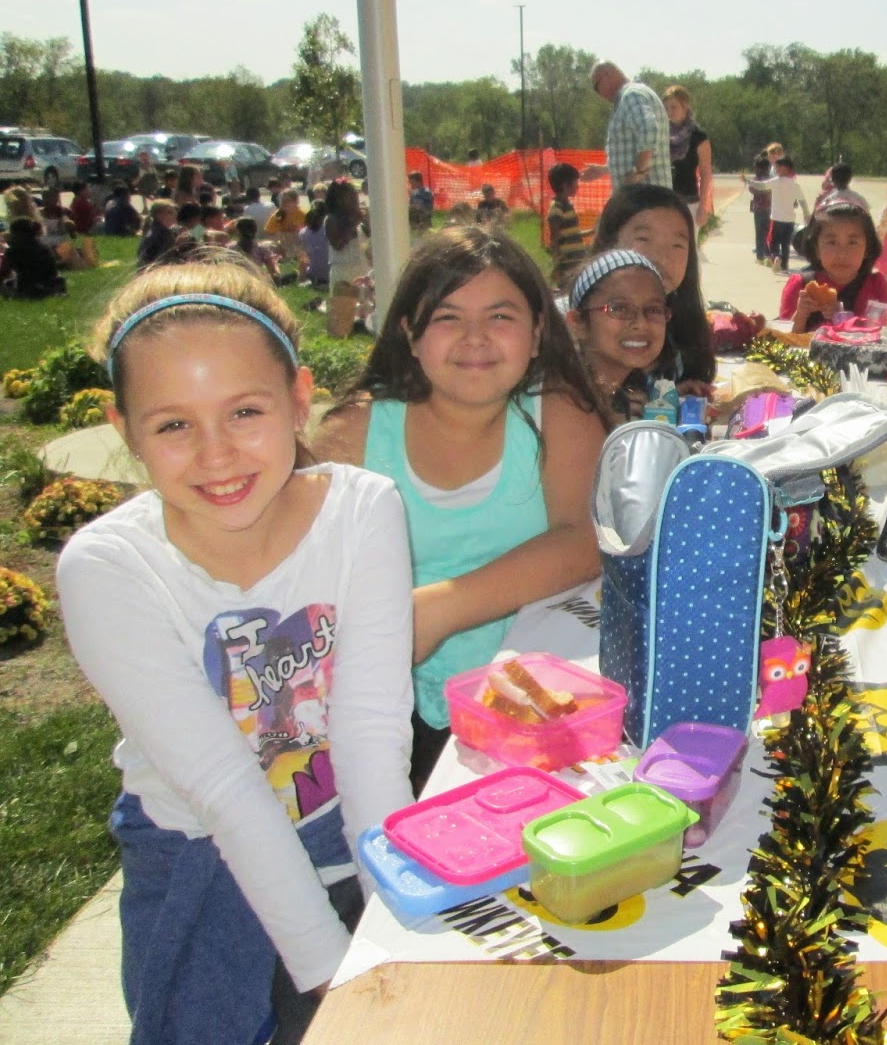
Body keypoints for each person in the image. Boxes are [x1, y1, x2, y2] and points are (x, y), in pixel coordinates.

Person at [57, 255, 415, 1045]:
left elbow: (367, 732)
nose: (216, 456)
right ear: (127, 432)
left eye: (245, 412)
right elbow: (224, 788)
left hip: (342, 827)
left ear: (297, 400)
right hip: (195, 857)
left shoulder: (363, 512)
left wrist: (395, 910)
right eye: (174, 424)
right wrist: (333, 974)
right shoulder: (108, 569)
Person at [313, 226, 608, 788]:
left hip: (538, 702)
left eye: (501, 317)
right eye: (447, 317)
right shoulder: (355, 433)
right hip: (386, 711)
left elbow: (583, 540)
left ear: (538, 332)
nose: (475, 338)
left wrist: (437, 611)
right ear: (410, 333)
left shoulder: (558, 415)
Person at [590, 185, 715, 394]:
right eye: (644, 240)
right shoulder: (581, 324)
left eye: (677, 245)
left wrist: (667, 398)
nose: (661, 258)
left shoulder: (680, 326)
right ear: (608, 245)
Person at [565, 249, 669, 424]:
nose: (640, 324)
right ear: (578, 322)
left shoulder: (622, 396)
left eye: (653, 310)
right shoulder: (564, 404)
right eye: (619, 308)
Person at [779, 201, 887, 332]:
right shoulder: (801, 285)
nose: (842, 254)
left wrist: (841, 315)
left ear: (867, 248)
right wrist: (801, 314)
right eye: (831, 242)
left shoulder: (876, 285)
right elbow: (783, 342)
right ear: (816, 249)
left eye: (853, 242)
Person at [582, 61, 671, 190]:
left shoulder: (631, 96)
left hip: (644, 200)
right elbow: (633, 152)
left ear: (607, 75)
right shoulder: (631, 96)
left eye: (596, 87)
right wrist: (604, 170)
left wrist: (637, 172)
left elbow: (649, 130)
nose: (598, 94)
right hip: (646, 200)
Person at [663, 84, 715, 227]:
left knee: (688, 247)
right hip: (664, 201)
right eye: (666, 108)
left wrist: (703, 208)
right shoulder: (661, 133)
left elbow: (706, 173)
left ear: (685, 106)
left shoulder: (699, 136)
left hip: (689, 201)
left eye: (674, 107)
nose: (669, 112)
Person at [745, 157, 807, 271]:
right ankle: (785, 264)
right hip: (789, 220)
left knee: (773, 241)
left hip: (776, 219)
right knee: (785, 243)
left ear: (785, 169)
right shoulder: (795, 185)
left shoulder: (775, 181)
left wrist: (747, 181)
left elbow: (761, 186)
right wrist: (806, 215)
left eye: (778, 167)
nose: (776, 169)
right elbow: (802, 201)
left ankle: (776, 257)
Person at [324, 180, 367, 338]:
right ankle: (342, 330)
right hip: (342, 268)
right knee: (342, 303)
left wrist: (365, 220)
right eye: (349, 196)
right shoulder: (331, 220)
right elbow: (338, 245)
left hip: (361, 265)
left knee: (365, 302)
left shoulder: (359, 216)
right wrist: (352, 224)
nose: (353, 198)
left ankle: (363, 326)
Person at [544, 161, 590, 291]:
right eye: (576, 182)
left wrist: (593, 231)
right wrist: (557, 267)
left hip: (577, 262)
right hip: (568, 266)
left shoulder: (568, 207)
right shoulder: (557, 209)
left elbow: (573, 234)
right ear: (565, 185)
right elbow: (555, 239)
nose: (578, 186)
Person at [1, 217, 67, 298]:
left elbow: (3, 273)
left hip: (28, 289)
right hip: (50, 285)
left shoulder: (13, 251)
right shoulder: (44, 248)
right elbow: (53, 271)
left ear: (17, 234)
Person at [137, 200, 179, 268]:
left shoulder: (152, 229)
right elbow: (167, 259)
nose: (175, 214)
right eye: (170, 212)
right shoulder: (164, 233)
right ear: (158, 215)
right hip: (157, 271)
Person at [266, 189, 307, 258]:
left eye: (288, 201)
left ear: (296, 201)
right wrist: (282, 232)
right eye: (282, 201)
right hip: (282, 247)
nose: (284, 203)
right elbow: (269, 233)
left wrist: (296, 231)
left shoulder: (304, 215)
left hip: (300, 246)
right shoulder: (277, 215)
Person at [748, 154, 773, 263]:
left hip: (758, 208)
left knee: (759, 232)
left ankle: (760, 255)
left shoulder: (756, 179)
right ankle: (768, 254)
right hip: (769, 208)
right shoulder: (770, 180)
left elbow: (751, 189)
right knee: (768, 232)